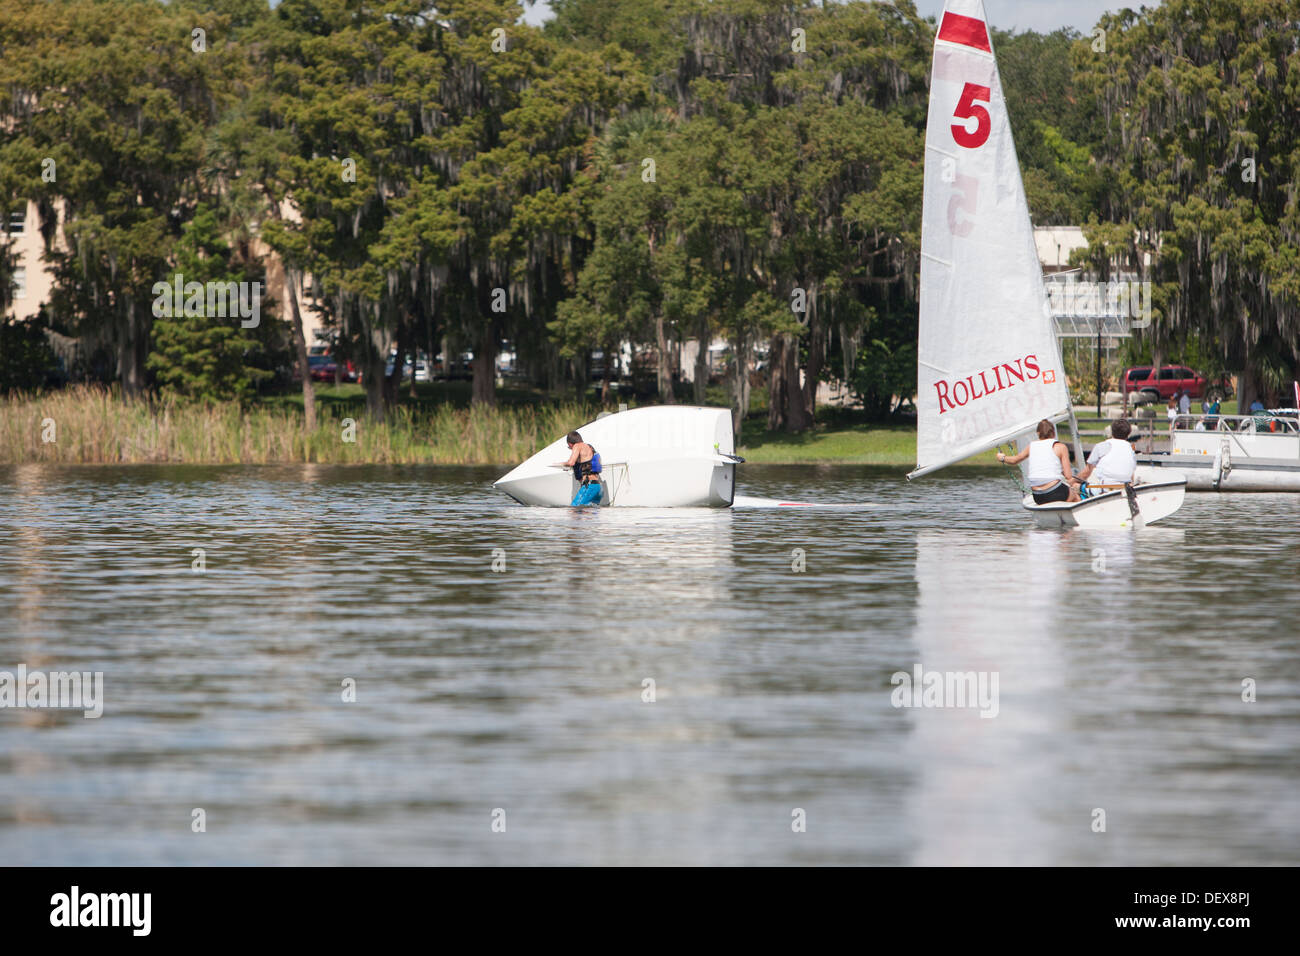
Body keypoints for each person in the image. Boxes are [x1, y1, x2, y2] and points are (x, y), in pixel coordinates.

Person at [997, 419, 1079, 504]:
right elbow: (1068, 476)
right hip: (1056, 492)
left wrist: (1002, 458)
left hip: (1038, 496)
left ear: (1038, 433)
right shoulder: (1060, 447)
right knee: (1076, 496)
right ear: (1053, 432)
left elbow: (1014, 460)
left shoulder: (1031, 446)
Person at [1075, 418, 1137, 495]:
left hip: (1105, 488)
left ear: (1112, 431)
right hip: (1124, 488)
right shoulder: (1130, 448)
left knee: (1075, 486)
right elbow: (1131, 474)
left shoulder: (1101, 446)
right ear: (1128, 434)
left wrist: (1071, 481)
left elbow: (1086, 473)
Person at [558, 430, 603, 506]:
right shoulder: (589, 447)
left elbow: (571, 462)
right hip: (598, 487)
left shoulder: (577, 446)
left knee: (574, 508)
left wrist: (560, 464)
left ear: (569, 444)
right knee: (589, 512)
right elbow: (584, 464)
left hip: (589, 486)